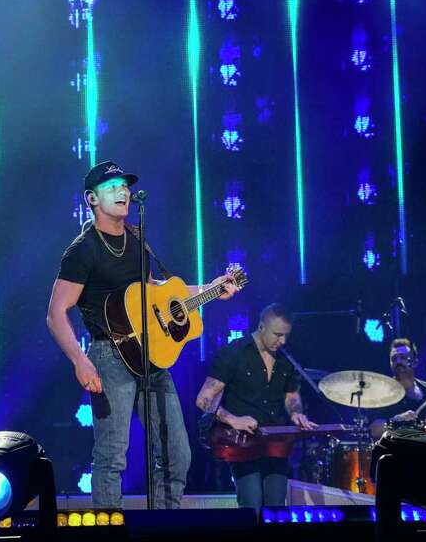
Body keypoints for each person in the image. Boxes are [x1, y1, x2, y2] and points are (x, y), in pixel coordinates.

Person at [45, 161, 240, 509]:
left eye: (125, 186)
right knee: (112, 457)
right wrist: (79, 361)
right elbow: (56, 312)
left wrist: (210, 289)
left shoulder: (136, 239)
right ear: (92, 199)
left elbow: (156, 293)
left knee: (177, 454)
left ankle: (164, 525)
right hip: (109, 357)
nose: (122, 192)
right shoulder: (83, 250)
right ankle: (109, 527)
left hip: (151, 356)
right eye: (112, 187)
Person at [194, 304, 317, 509]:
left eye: (286, 335)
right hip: (242, 443)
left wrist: (296, 413)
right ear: (261, 327)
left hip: (276, 442)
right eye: (277, 335)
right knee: (252, 505)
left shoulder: (287, 357)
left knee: (276, 506)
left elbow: (291, 395)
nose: (283, 341)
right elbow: (203, 399)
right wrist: (233, 419)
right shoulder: (234, 353)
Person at [368, 338, 426, 439]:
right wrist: (398, 420)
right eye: (394, 359)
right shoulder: (383, 393)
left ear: (415, 362)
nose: (398, 362)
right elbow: (374, 430)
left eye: (403, 358)